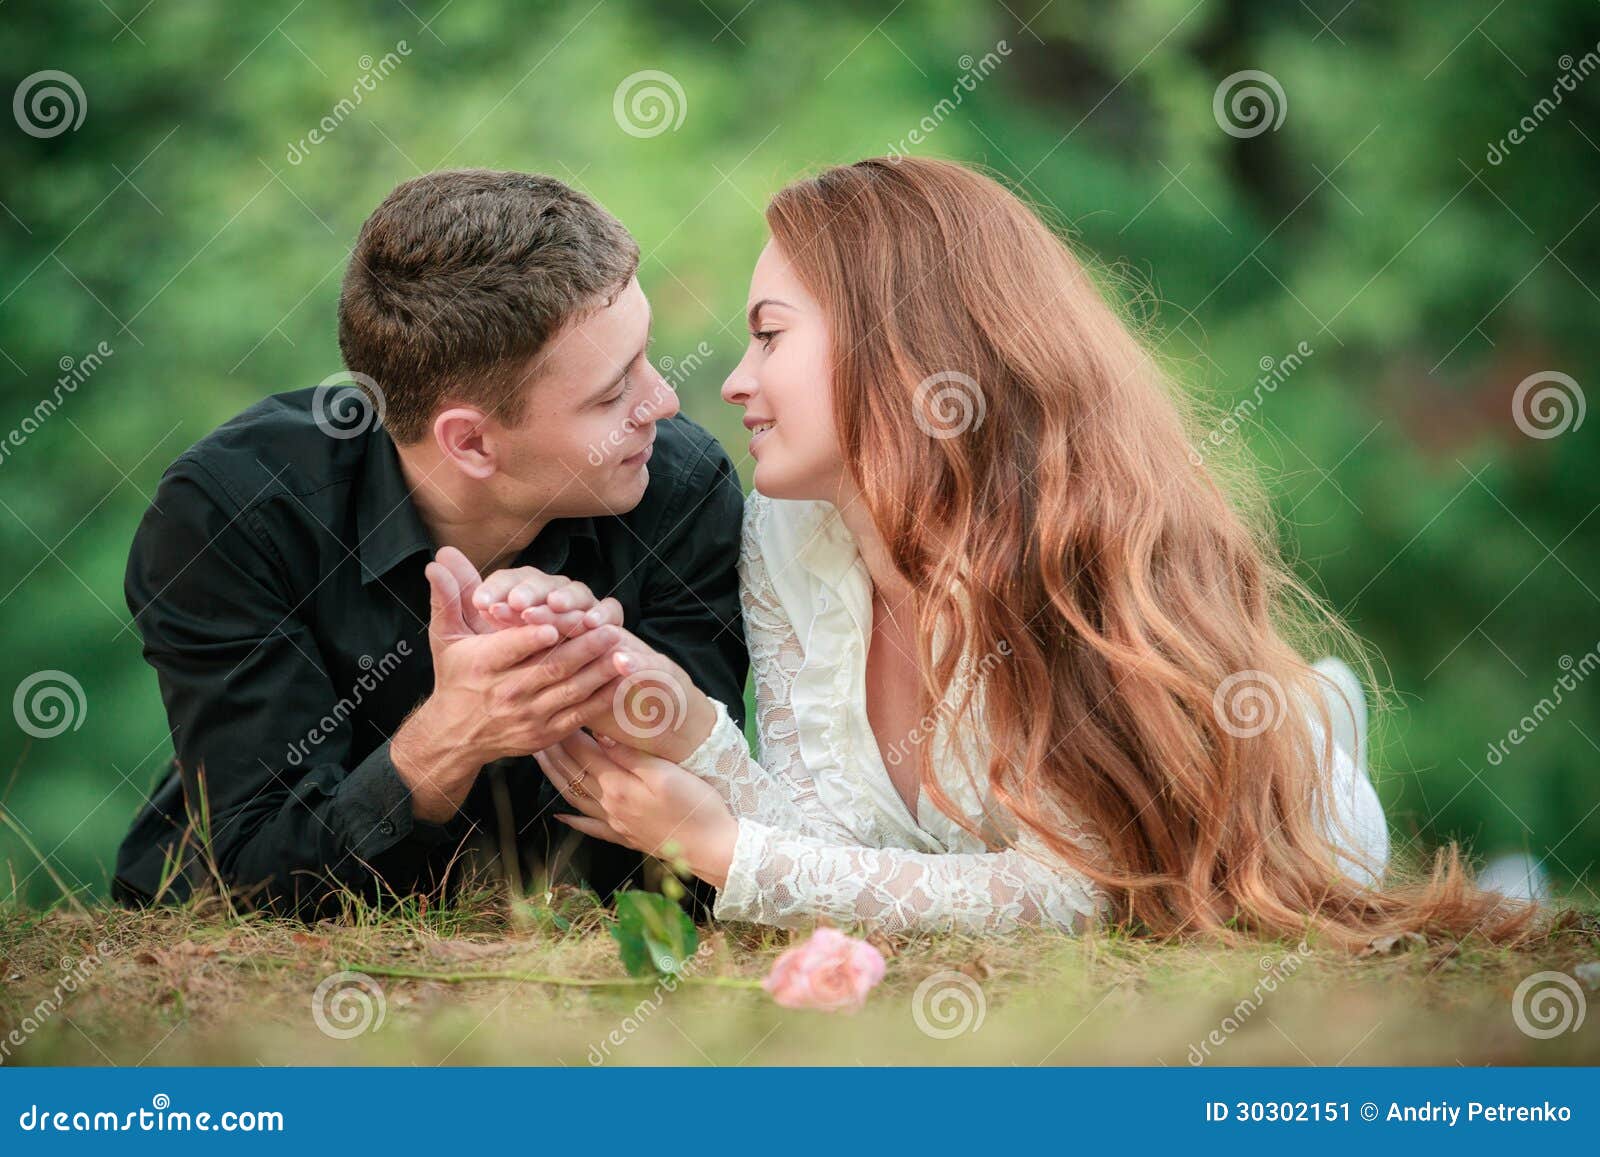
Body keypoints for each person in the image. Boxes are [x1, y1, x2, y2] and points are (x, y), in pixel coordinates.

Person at [532, 158, 1543, 949]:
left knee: (1333, 799)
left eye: (769, 336)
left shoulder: (1055, 546)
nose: (736, 384)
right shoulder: (788, 533)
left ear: (903, 340)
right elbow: (827, 843)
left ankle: (1315, 730)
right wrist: (674, 715)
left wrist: (713, 842)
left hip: (1264, 847)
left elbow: (1069, 896)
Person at [114, 170, 745, 918]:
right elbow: (257, 873)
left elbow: (697, 866)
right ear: (471, 441)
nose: (664, 402)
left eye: (645, 356)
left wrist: (602, 681)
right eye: (612, 394)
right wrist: (451, 736)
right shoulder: (234, 515)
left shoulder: (680, 489)